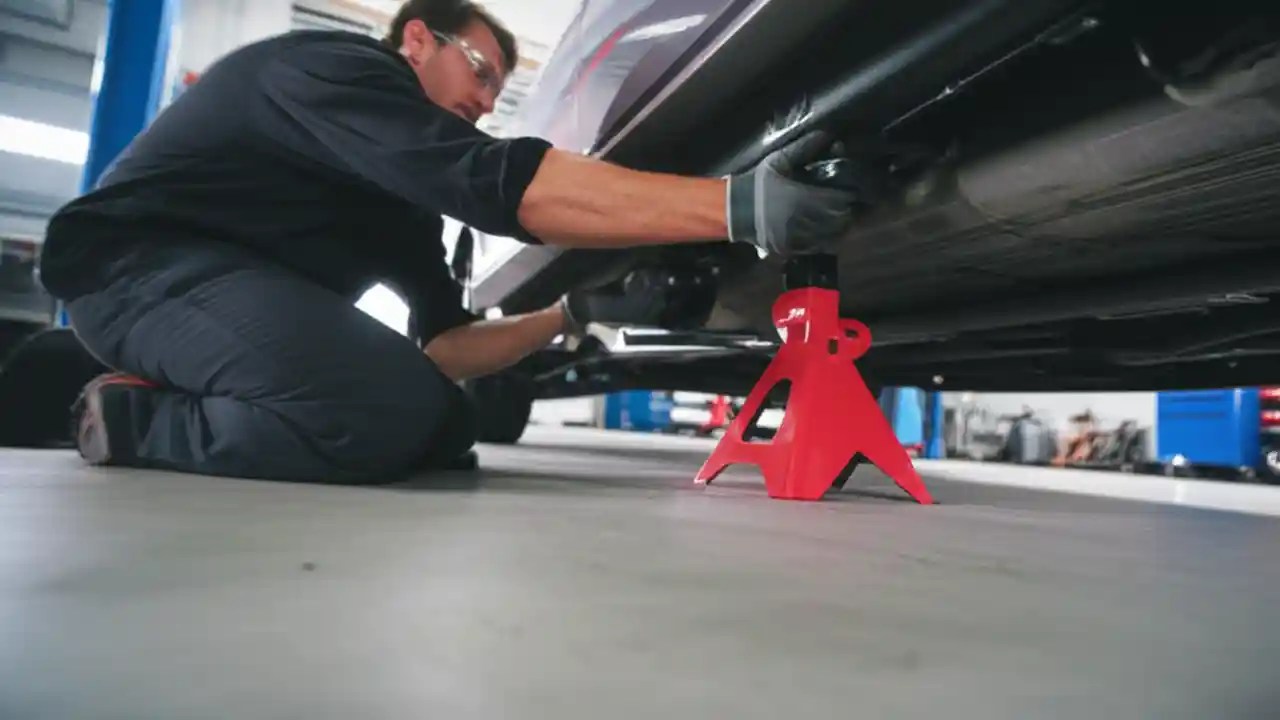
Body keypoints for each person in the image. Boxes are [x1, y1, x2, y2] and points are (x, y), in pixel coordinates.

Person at [37, 0, 862, 484]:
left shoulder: (401, 206)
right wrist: (734, 205)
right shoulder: (330, 71)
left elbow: (446, 343)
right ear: (417, 41)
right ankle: (137, 418)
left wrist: (572, 310)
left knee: (438, 421)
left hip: (221, 299)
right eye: (481, 71)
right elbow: (494, 184)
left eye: (500, 88)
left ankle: (189, 394)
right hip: (133, 272)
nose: (487, 99)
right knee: (393, 411)